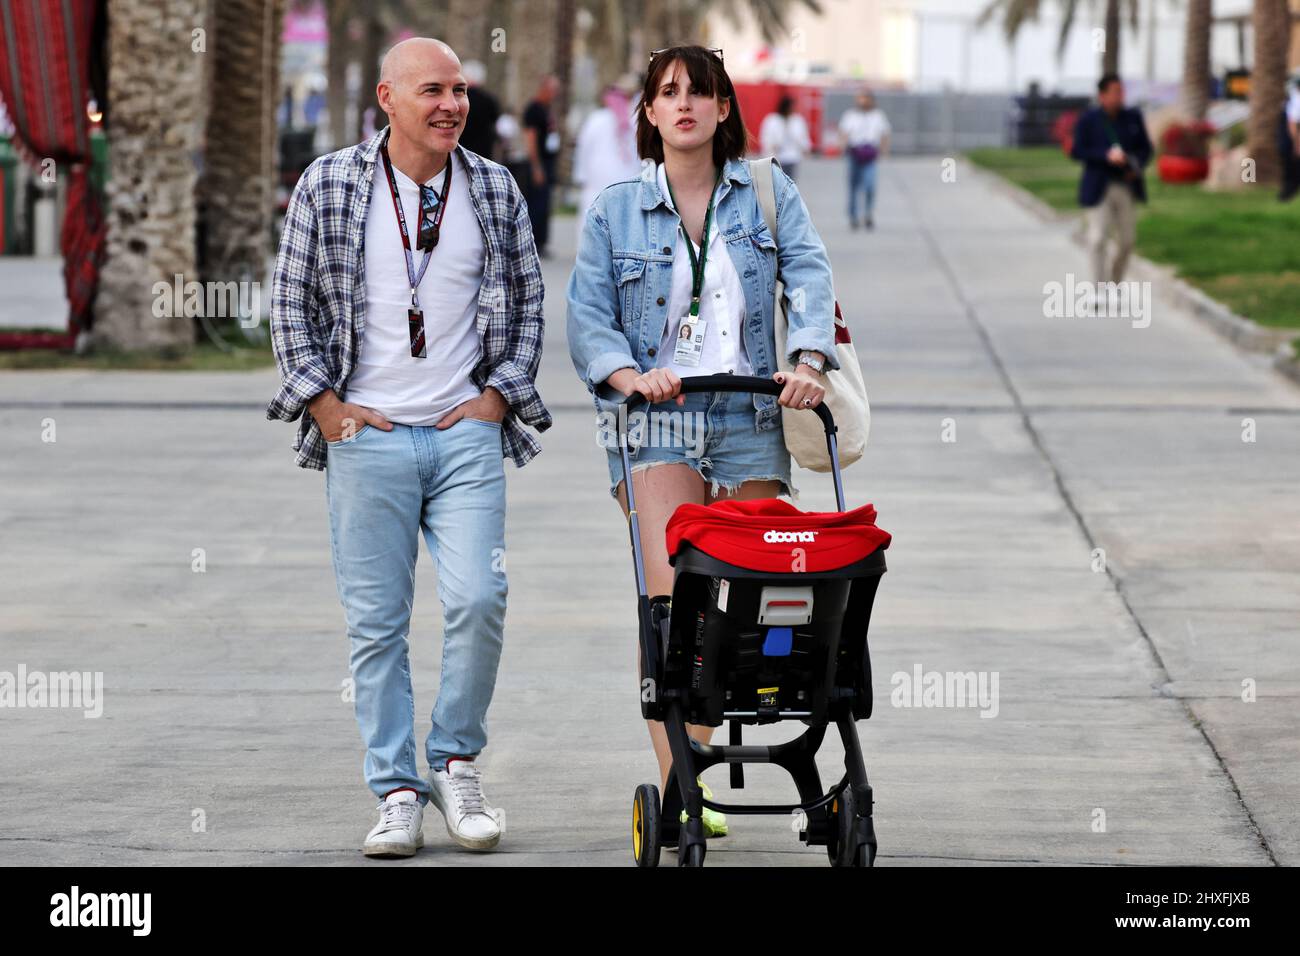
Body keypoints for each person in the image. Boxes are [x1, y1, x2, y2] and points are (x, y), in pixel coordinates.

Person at [266, 37, 551, 859]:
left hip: (465, 437)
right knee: (377, 627)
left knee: (478, 600)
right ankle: (395, 791)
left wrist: (497, 398)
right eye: (433, 90)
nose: (451, 105)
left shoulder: (495, 188)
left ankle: (456, 763)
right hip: (368, 439)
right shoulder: (330, 184)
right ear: (387, 99)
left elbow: (530, 303)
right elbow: (289, 303)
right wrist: (325, 407)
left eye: (460, 90)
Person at [566, 44, 840, 840]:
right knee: (672, 603)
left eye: (701, 92)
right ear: (647, 113)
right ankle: (683, 778)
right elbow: (588, 320)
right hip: (659, 420)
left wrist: (808, 360)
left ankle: (737, 755)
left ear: (725, 109)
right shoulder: (616, 208)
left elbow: (812, 276)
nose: (684, 104)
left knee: (758, 601)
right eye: (667, 93)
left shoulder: (766, 190)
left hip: (753, 413)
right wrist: (627, 375)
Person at [1070, 73, 1153, 283]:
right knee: (1097, 238)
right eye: (1115, 91)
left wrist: (1135, 163)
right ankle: (1098, 289)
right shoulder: (1089, 120)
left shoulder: (1132, 117)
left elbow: (1146, 149)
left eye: (1121, 91)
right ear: (1102, 95)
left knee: (1127, 241)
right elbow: (1077, 150)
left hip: (1125, 184)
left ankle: (1113, 285)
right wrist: (1105, 156)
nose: (1120, 95)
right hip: (1099, 185)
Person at [573, 73, 644, 226]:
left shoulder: (636, 122)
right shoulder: (597, 119)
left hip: (626, 189)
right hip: (597, 190)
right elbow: (584, 151)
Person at [838, 89, 889, 230]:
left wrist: (884, 150)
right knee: (853, 186)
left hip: (870, 154)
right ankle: (853, 216)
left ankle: (868, 213)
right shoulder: (850, 115)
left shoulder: (878, 116)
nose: (863, 101)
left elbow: (884, 133)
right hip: (854, 152)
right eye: (860, 98)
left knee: (870, 185)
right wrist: (842, 146)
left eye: (865, 98)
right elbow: (844, 133)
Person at [522, 74, 562, 257]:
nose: (555, 94)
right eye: (552, 90)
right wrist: (536, 166)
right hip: (539, 162)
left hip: (548, 161)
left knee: (545, 203)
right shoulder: (534, 109)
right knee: (536, 203)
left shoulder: (547, 109)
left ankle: (542, 241)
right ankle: (533, 242)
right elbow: (530, 138)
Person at [759, 94, 811, 181]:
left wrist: (806, 148)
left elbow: (803, 137)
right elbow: (765, 137)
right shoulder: (772, 120)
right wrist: (769, 148)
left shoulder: (797, 120)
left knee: (790, 183)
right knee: (776, 183)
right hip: (775, 158)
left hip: (792, 157)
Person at [459, 59, 502, 160]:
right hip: (483, 151)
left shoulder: (459, 98)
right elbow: (495, 121)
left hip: (461, 146)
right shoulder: (489, 99)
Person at [1278, 71, 1300, 203]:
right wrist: (1297, 144)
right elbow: (1293, 124)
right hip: (1291, 143)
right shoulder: (1296, 100)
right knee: (1292, 172)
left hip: (1288, 142)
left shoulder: (1292, 99)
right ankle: (1286, 197)